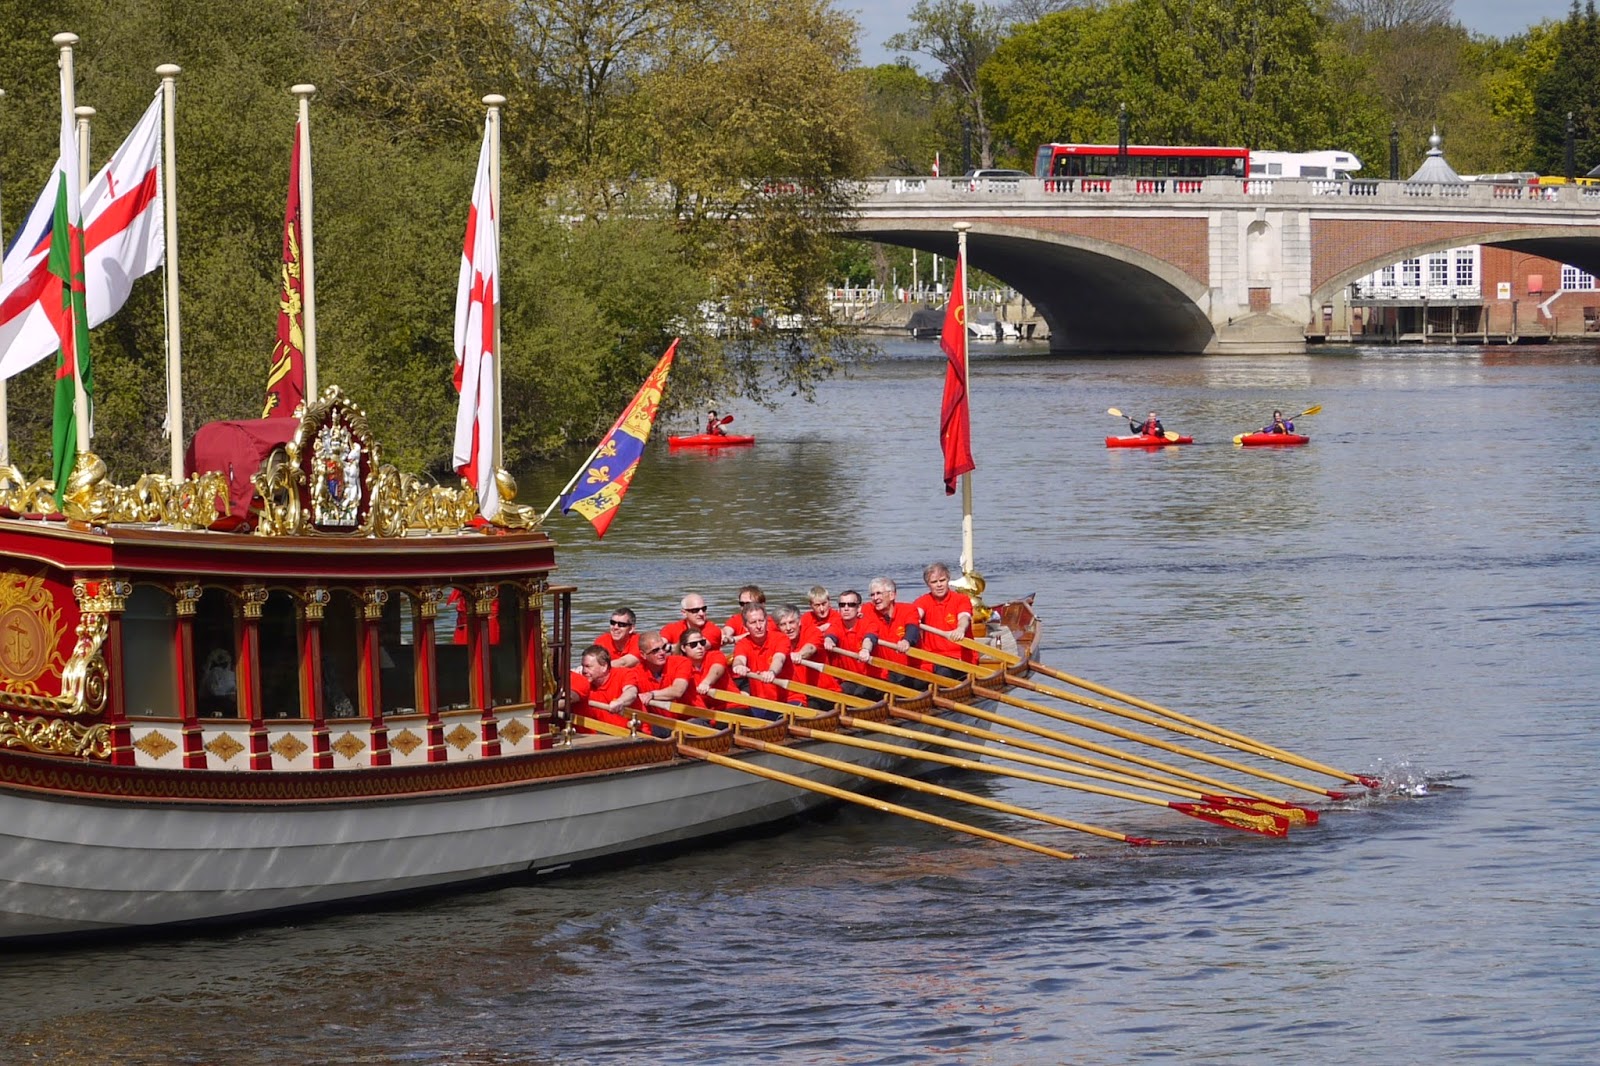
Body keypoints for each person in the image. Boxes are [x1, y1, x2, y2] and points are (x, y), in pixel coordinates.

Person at [914, 562, 974, 678]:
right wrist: (914, 619)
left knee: (943, 673)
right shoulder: (922, 601)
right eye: (934, 582)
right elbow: (916, 613)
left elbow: (964, 616)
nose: (939, 585)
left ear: (948, 580)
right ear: (928, 584)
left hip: (959, 658)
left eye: (942, 580)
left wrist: (960, 629)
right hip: (932, 659)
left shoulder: (961, 599)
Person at [730, 603, 790, 714]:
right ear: (745, 627)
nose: (758, 626)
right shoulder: (743, 643)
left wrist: (772, 672)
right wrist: (739, 666)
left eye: (761, 621)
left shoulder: (781, 638)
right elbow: (739, 659)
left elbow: (779, 659)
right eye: (753, 622)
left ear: (767, 621)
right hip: (760, 702)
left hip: (788, 700)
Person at [862, 576, 922, 686]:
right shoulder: (867, 610)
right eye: (872, 595)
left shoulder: (908, 609)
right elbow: (847, 611)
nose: (875, 598)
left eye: (879, 593)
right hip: (885, 672)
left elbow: (913, 629)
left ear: (892, 595)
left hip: (912, 670)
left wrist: (906, 641)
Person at [821, 589, 878, 699]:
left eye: (851, 605)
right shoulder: (836, 625)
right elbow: (831, 635)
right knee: (840, 694)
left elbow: (869, 639)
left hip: (872, 678)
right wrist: (828, 641)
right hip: (850, 679)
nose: (846, 608)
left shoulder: (869, 624)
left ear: (859, 608)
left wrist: (865, 650)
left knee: (860, 694)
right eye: (842, 605)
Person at [575, 645, 642, 733]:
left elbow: (631, 691)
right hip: (606, 734)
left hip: (636, 732)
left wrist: (620, 701)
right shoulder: (583, 683)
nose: (584, 671)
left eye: (588, 666)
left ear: (604, 667)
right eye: (583, 666)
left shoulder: (624, 674)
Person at [633, 632, 693, 715]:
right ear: (643, 655)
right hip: (662, 720)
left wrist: (651, 695)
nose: (662, 653)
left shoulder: (682, 662)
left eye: (663, 648)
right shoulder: (636, 673)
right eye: (655, 650)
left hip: (693, 717)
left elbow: (678, 691)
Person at [679, 628, 733, 717]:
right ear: (683, 648)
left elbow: (717, 669)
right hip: (707, 713)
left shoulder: (715, 655)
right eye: (693, 644)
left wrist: (706, 682)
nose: (699, 647)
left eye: (702, 642)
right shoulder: (681, 666)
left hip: (732, 706)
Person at [770, 606, 813, 707]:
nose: (788, 628)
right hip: (787, 695)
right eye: (783, 624)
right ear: (778, 627)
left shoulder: (811, 632)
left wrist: (800, 654)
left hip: (816, 693)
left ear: (799, 622)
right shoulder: (774, 640)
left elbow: (811, 648)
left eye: (791, 622)